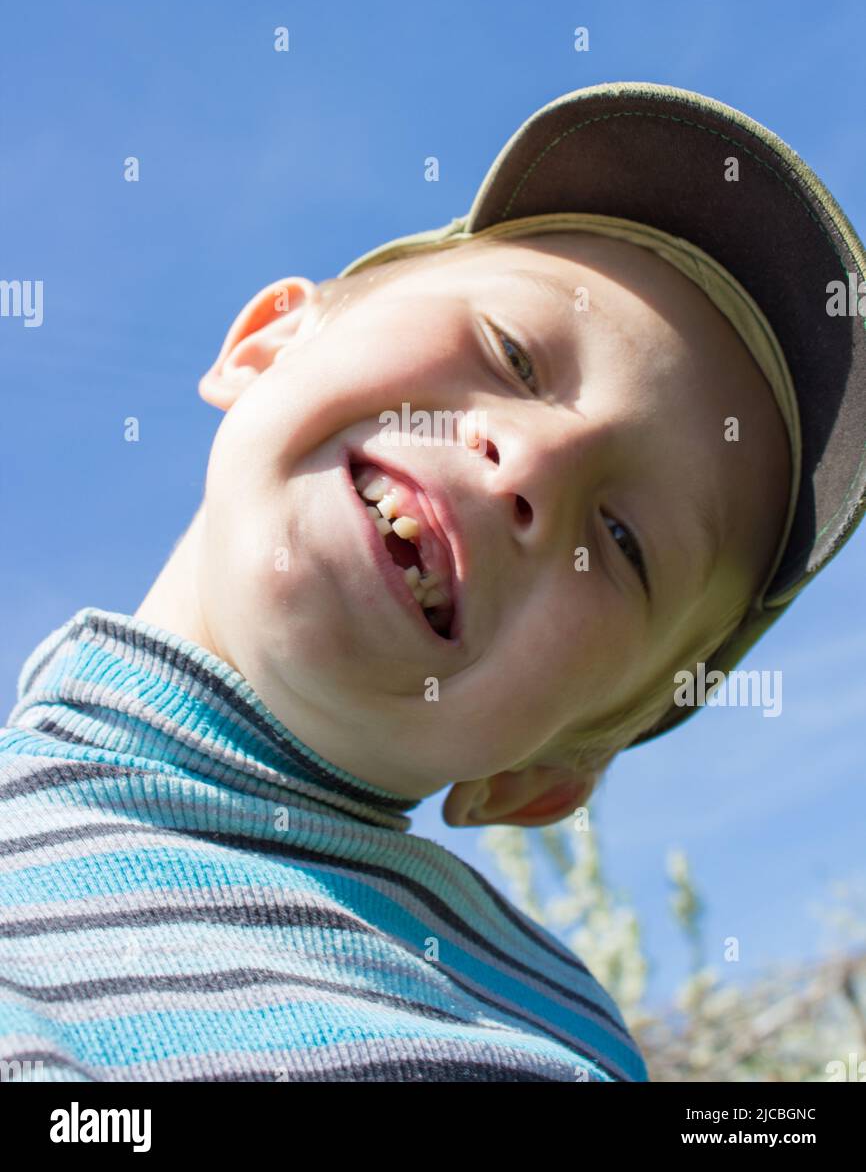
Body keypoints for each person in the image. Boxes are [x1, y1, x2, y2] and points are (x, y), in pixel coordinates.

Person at [1, 82, 864, 1083]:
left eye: (624, 538)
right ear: (267, 342)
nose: (530, 461)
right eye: (513, 353)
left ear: (542, 779)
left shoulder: (548, 1040)